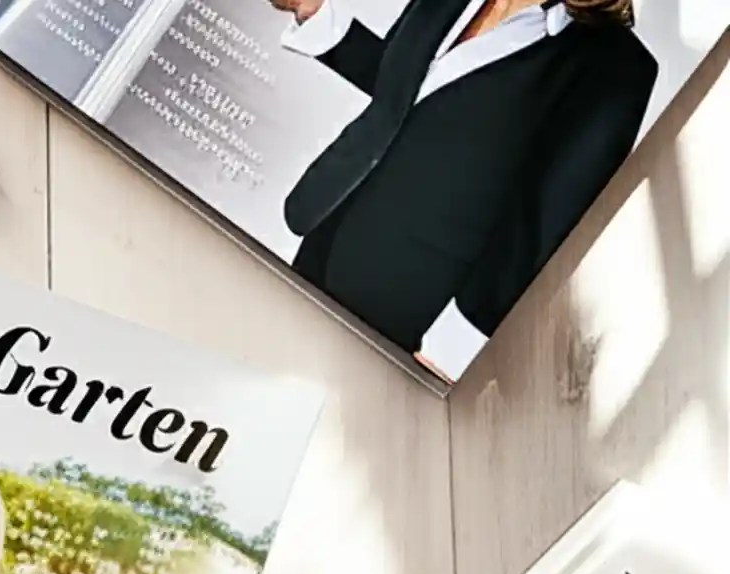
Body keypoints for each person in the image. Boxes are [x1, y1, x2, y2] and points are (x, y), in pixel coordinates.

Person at [271, 0, 657, 381]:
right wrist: (315, 14)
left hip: (403, 301)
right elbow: (406, 92)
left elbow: (545, 225)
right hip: (326, 224)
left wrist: (455, 350)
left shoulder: (619, 70)